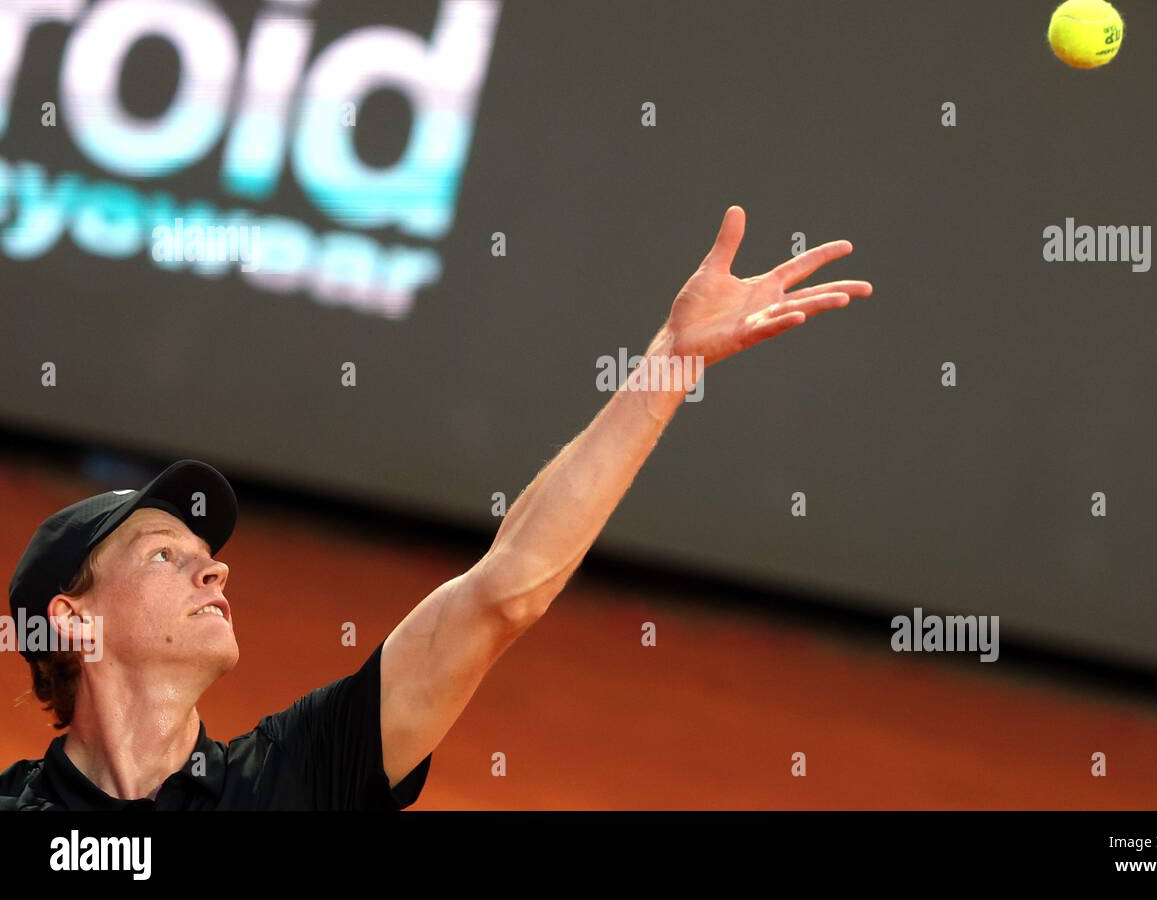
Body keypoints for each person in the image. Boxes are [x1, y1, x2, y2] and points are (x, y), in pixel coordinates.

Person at [0, 206, 870, 810]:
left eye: (204, 549)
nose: (213, 564)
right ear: (74, 623)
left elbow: (505, 592)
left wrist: (669, 367)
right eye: (161, 553)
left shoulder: (302, 774)